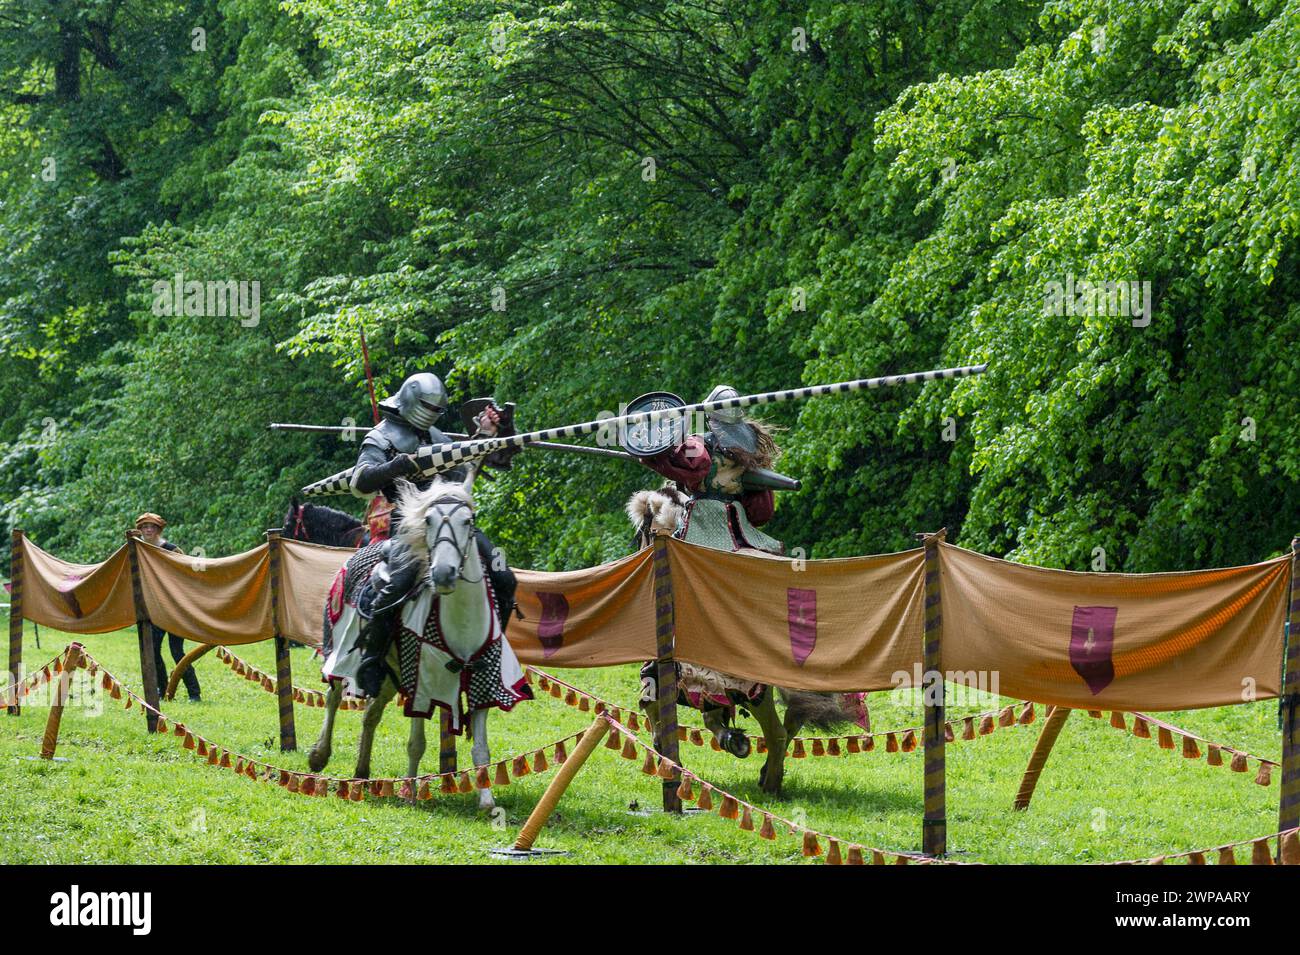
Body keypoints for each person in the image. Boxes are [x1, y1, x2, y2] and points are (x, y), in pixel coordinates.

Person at [347, 372, 517, 697]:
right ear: (410, 401)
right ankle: (373, 661)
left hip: (452, 523)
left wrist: (488, 434)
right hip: (409, 529)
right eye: (426, 406)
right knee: (396, 585)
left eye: (436, 408)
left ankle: (493, 655)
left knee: (504, 576)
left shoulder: (437, 436)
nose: (431, 412)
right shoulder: (380, 438)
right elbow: (361, 483)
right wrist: (395, 466)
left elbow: (466, 471)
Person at [134, 513, 202, 702]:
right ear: (140, 530)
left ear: (158, 529)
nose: (148, 530)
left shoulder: (172, 549)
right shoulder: (138, 548)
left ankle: (194, 693)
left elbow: (186, 575)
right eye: (145, 527)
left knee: (176, 651)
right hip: (153, 609)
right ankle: (161, 691)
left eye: (152, 527)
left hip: (174, 609)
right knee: (153, 650)